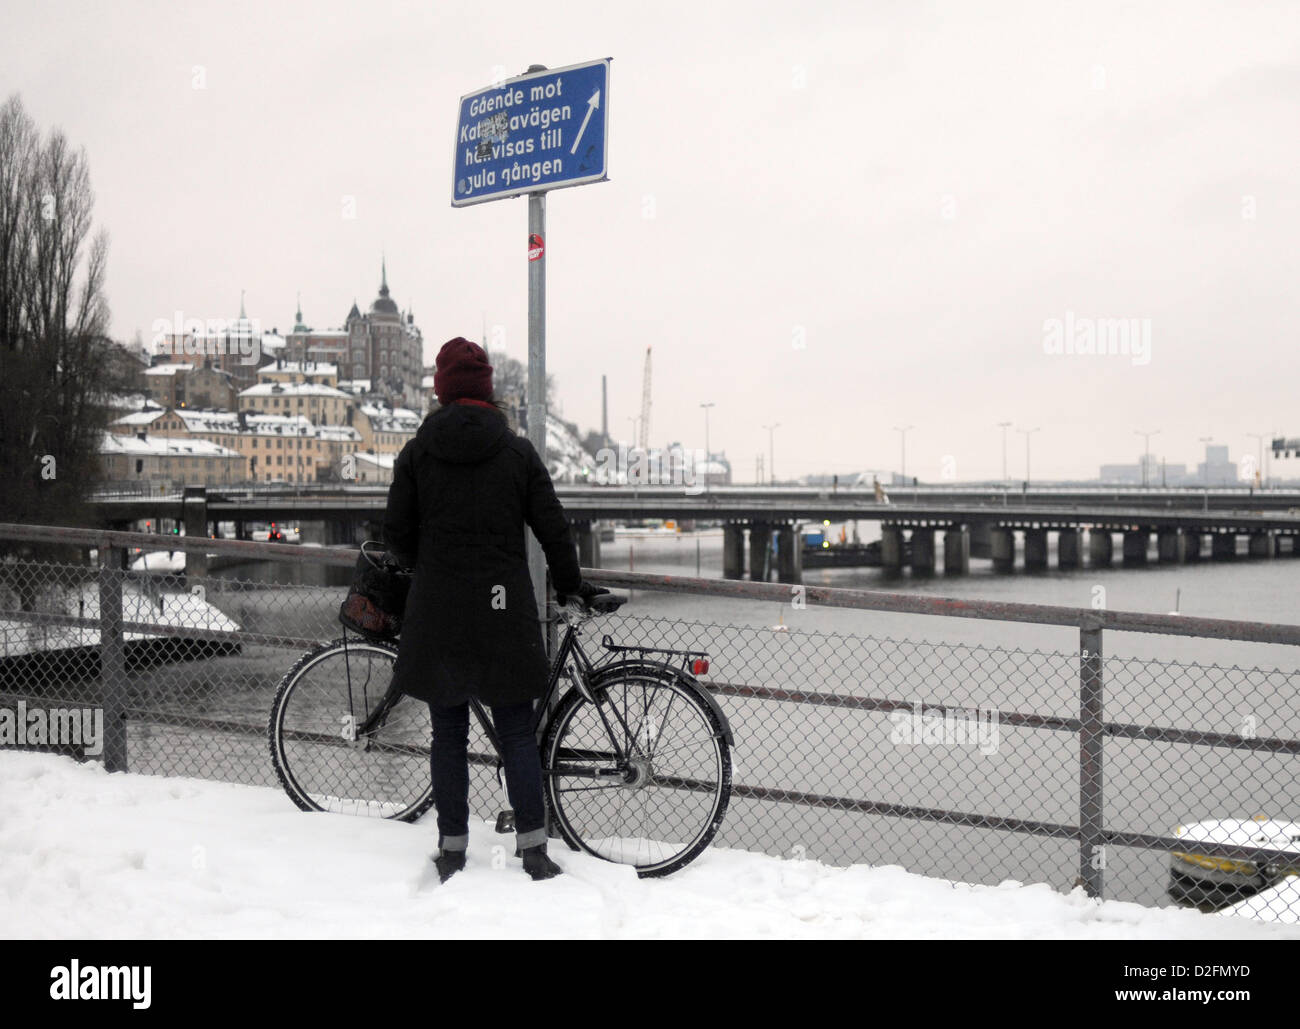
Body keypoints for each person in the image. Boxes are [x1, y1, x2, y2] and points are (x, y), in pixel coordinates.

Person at [382, 337, 602, 883]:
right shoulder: (518, 453)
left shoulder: (416, 453)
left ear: (441, 391)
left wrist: (427, 567)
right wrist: (571, 586)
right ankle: (533, 848)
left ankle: (453, 848)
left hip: (440, 609)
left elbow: (397, 535)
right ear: (488, 392)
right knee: (517, 732)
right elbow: (553, 530)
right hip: (503, 608)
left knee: (448, 731)